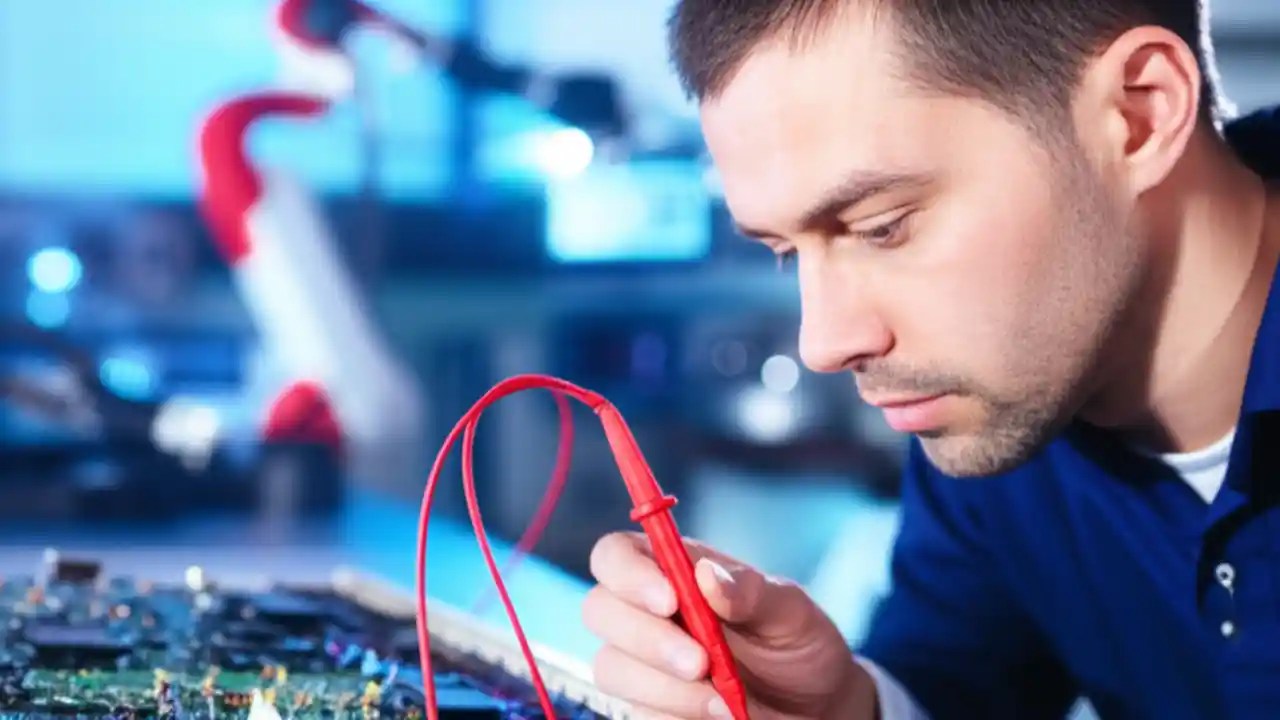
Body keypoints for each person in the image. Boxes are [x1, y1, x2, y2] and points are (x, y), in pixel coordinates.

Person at [581, 0, 1280, 718]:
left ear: (1139, 114)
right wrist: (849, 708)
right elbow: (957, 673)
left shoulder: (1017, 350)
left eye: (882, 228)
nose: (824, 343)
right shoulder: (1010, 392)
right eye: (788, 253)